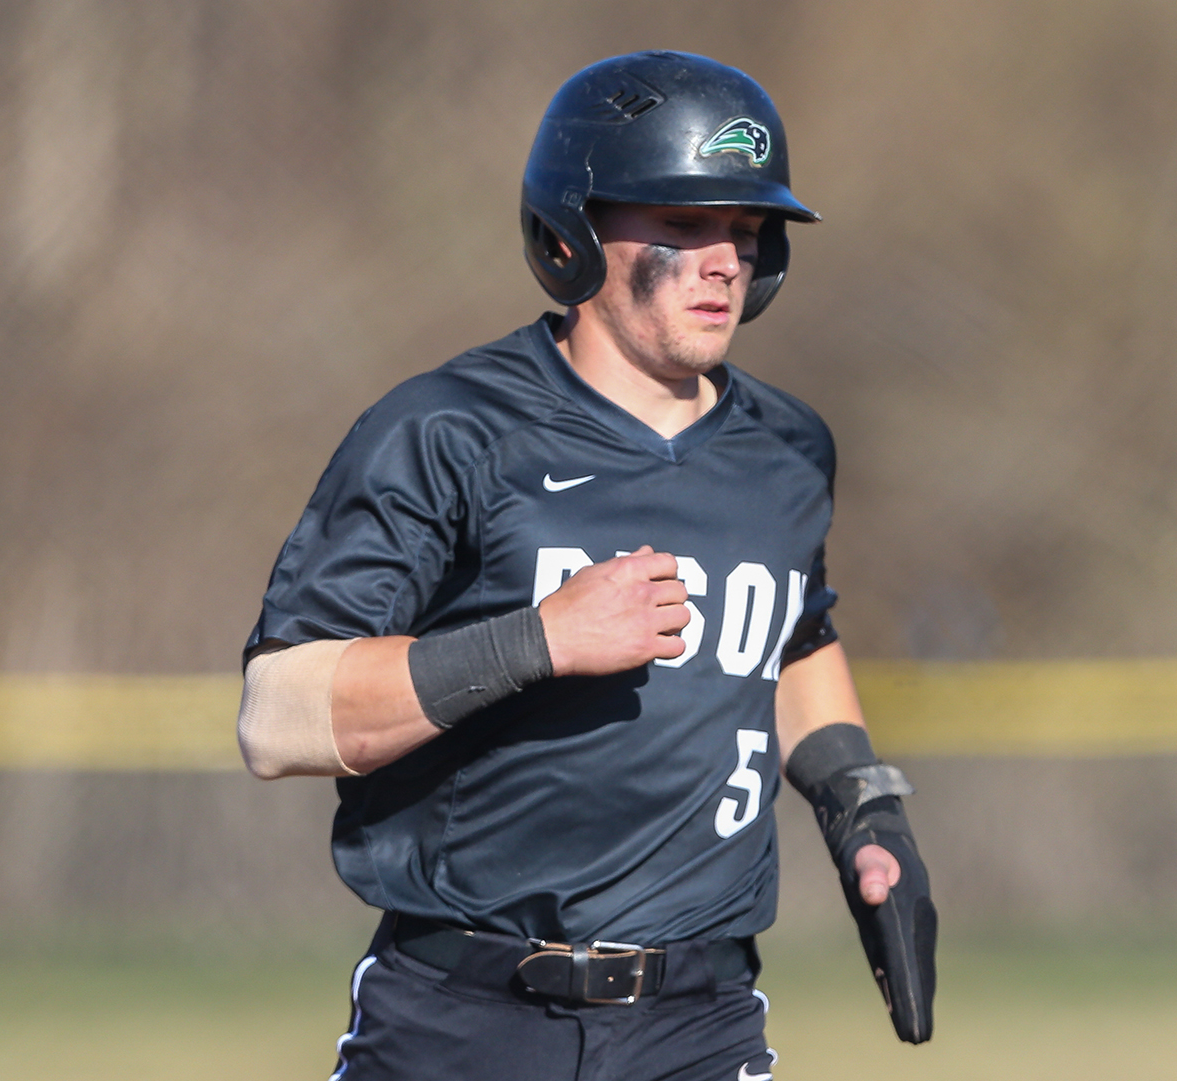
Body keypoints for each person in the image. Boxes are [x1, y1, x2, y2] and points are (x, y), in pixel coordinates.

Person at [237, 50, 934, 1081]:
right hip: (463, 1011)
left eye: (747, 231)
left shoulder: (788, 452)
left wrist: (864, 809)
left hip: (698, 1018)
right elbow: (276, 717)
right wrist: (541, 638)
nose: (725, 262)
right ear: (571, 235)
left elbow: (792, 635)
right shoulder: (449, 431)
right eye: (683, 224)